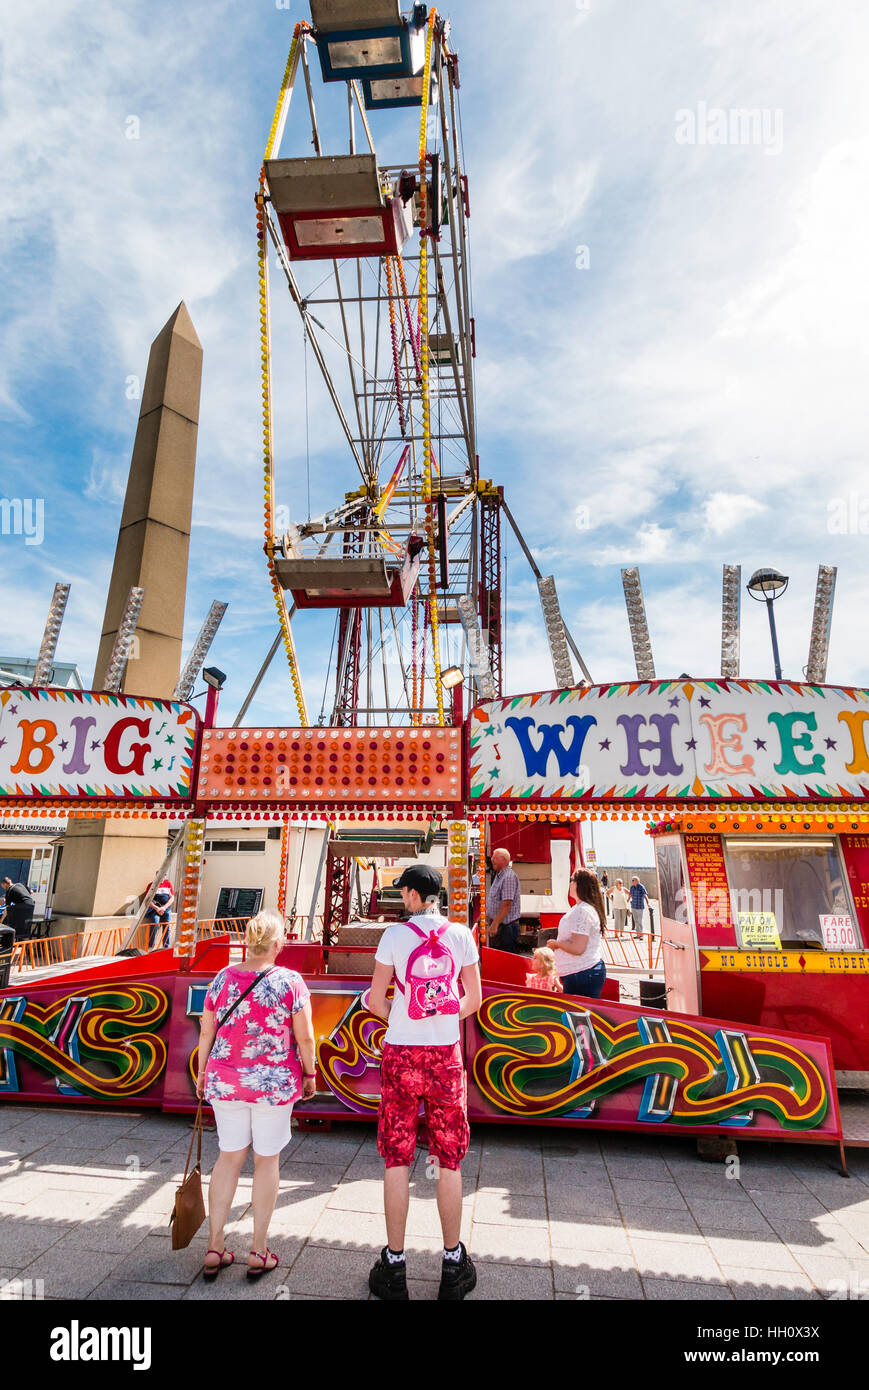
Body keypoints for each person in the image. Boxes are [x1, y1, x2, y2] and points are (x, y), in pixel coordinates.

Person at [368, 864, 482, 1301]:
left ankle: (394, 1267)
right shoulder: (461, 935)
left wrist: (403, 1015)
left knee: (396, 1156)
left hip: (401, 1054)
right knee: (447, 1157)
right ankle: (453, 1266)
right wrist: (440, 1015)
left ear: (415, 896)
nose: (402, 899)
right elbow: (473, 997)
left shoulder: (394, 937)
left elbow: (378, 1001)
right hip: (445, 1057)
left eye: (404, 893)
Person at [196, 910, 316, 1280]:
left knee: (228, 1158)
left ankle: (216, 1244)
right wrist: (310, 1074)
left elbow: (206, 1032)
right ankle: (258, 1250)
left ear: (247, 942)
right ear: (279, 944)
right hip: (273, 1085)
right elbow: (306, 1037)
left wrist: (202, 1074)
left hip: (226, 1081)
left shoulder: (221, 979)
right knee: (266, 1161)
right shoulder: (290, 982)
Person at [553, 867, 607, 999]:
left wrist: (556, 944)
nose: (569, 883)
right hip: (580, 974)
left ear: (578, 884)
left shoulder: (583, 911)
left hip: (581, 974)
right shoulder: (580, 908)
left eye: (571, 880)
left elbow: (578, 948)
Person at [487, 848, 522, 952]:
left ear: (503, 860)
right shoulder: (500, 876)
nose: (492, 860)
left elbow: (507, 904)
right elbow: (494, 899)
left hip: (507, 929)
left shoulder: (508, 877)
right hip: (503, 927)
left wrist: (495, 925)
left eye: (495, 857)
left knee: (506, 959)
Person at [144, 875, 175, 950]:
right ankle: (150, 947)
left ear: (165, 877)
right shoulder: (151, 885)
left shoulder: (168, 884)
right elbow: (147, 900)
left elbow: (172, 898)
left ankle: (166, 947)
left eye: (162, 876)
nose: (161, 878)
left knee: (167, 925)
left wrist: (164, 908)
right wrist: (157, 908)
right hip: (154, 909)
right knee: (155, 923)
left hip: (166, 908)